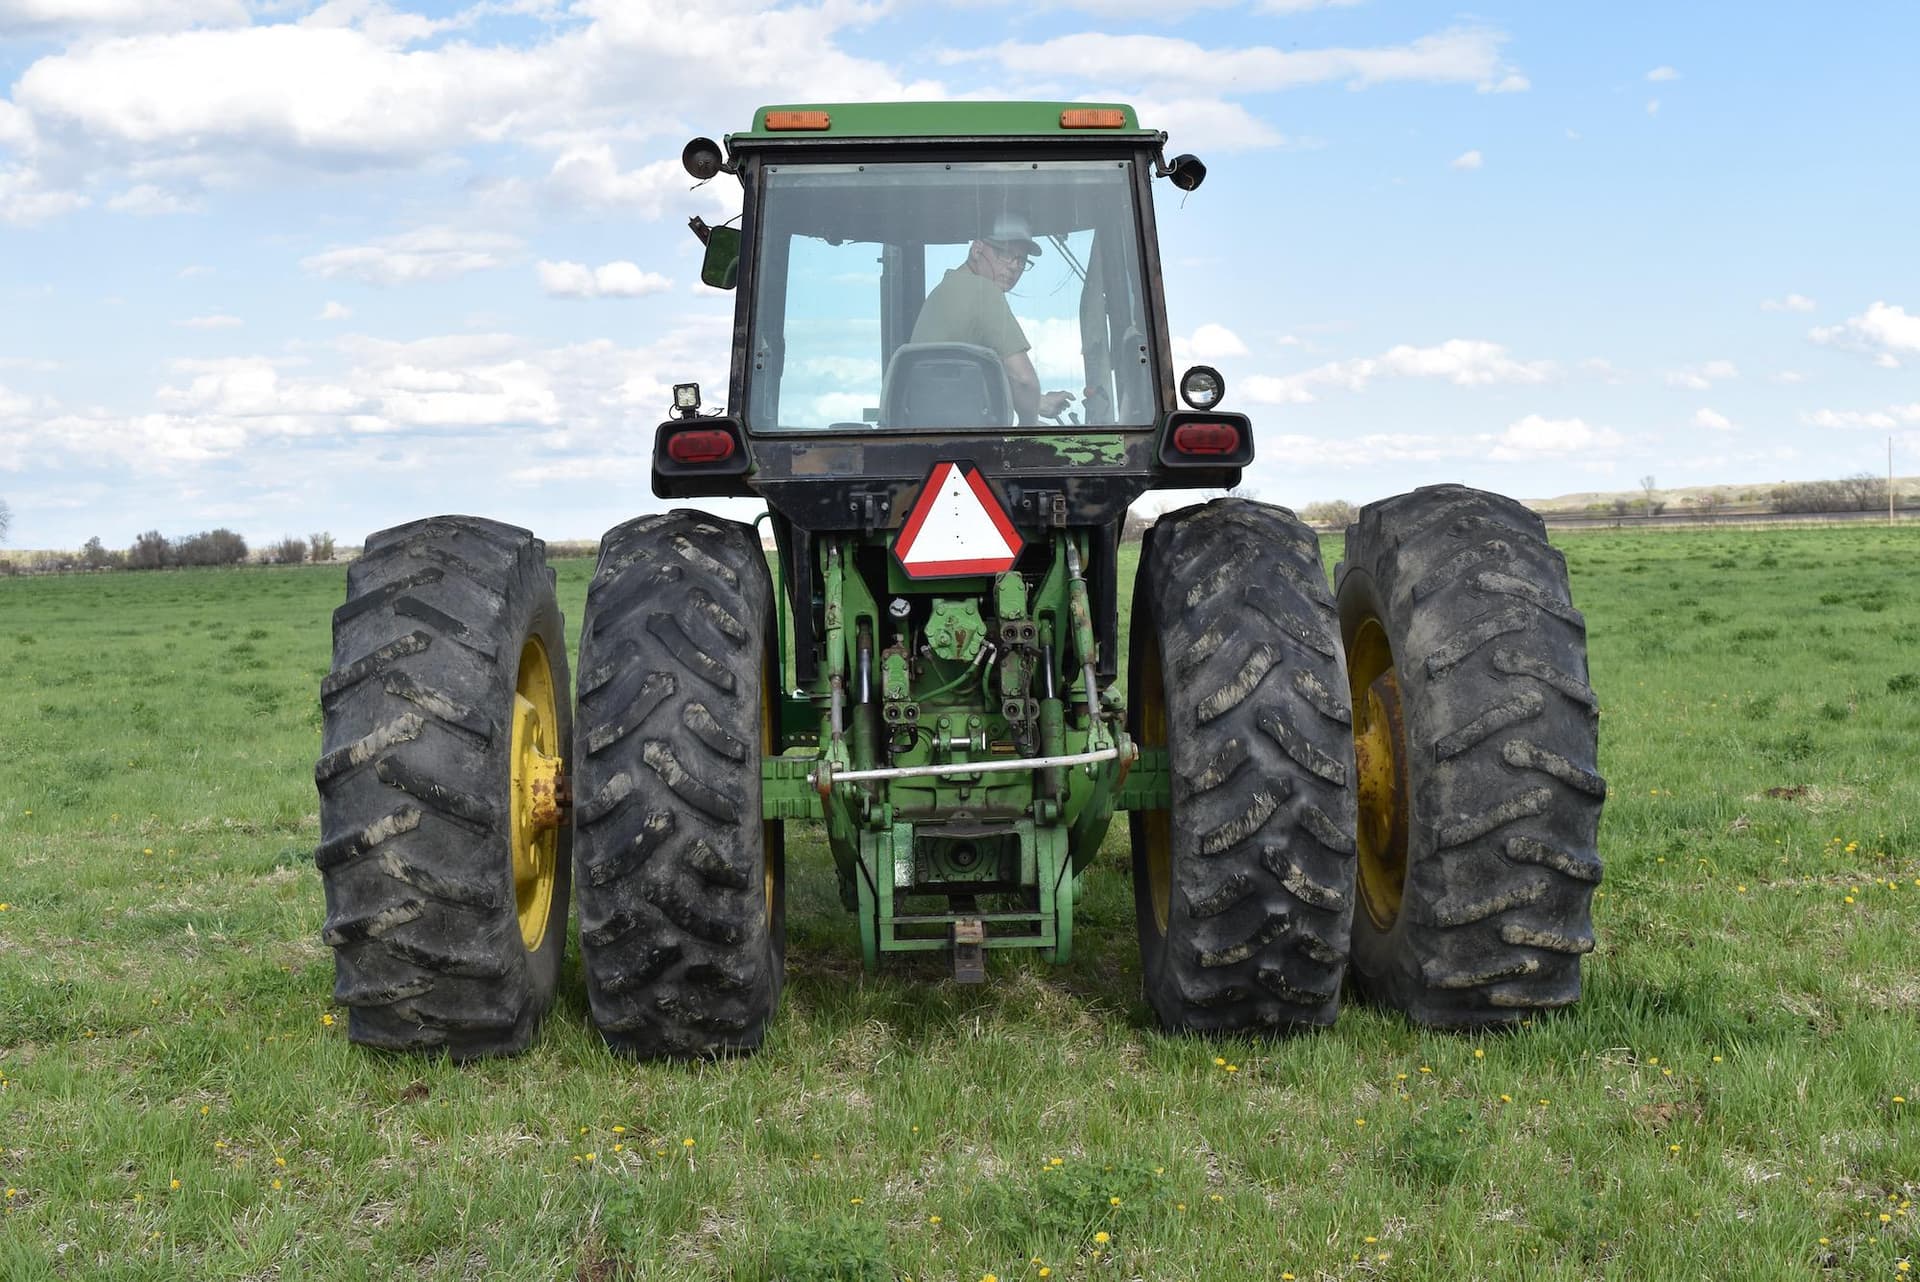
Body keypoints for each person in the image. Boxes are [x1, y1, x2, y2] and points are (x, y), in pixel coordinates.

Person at [909, 214, 1076, 426]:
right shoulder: (983, 291)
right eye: (1005, 254)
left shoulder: (945, 289)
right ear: (977, 249)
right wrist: (1029, 425)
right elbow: (1023, 380)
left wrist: (1039, 403)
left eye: (1021, 260)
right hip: (966, 436)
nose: (1014, 266)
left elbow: (957, 380)